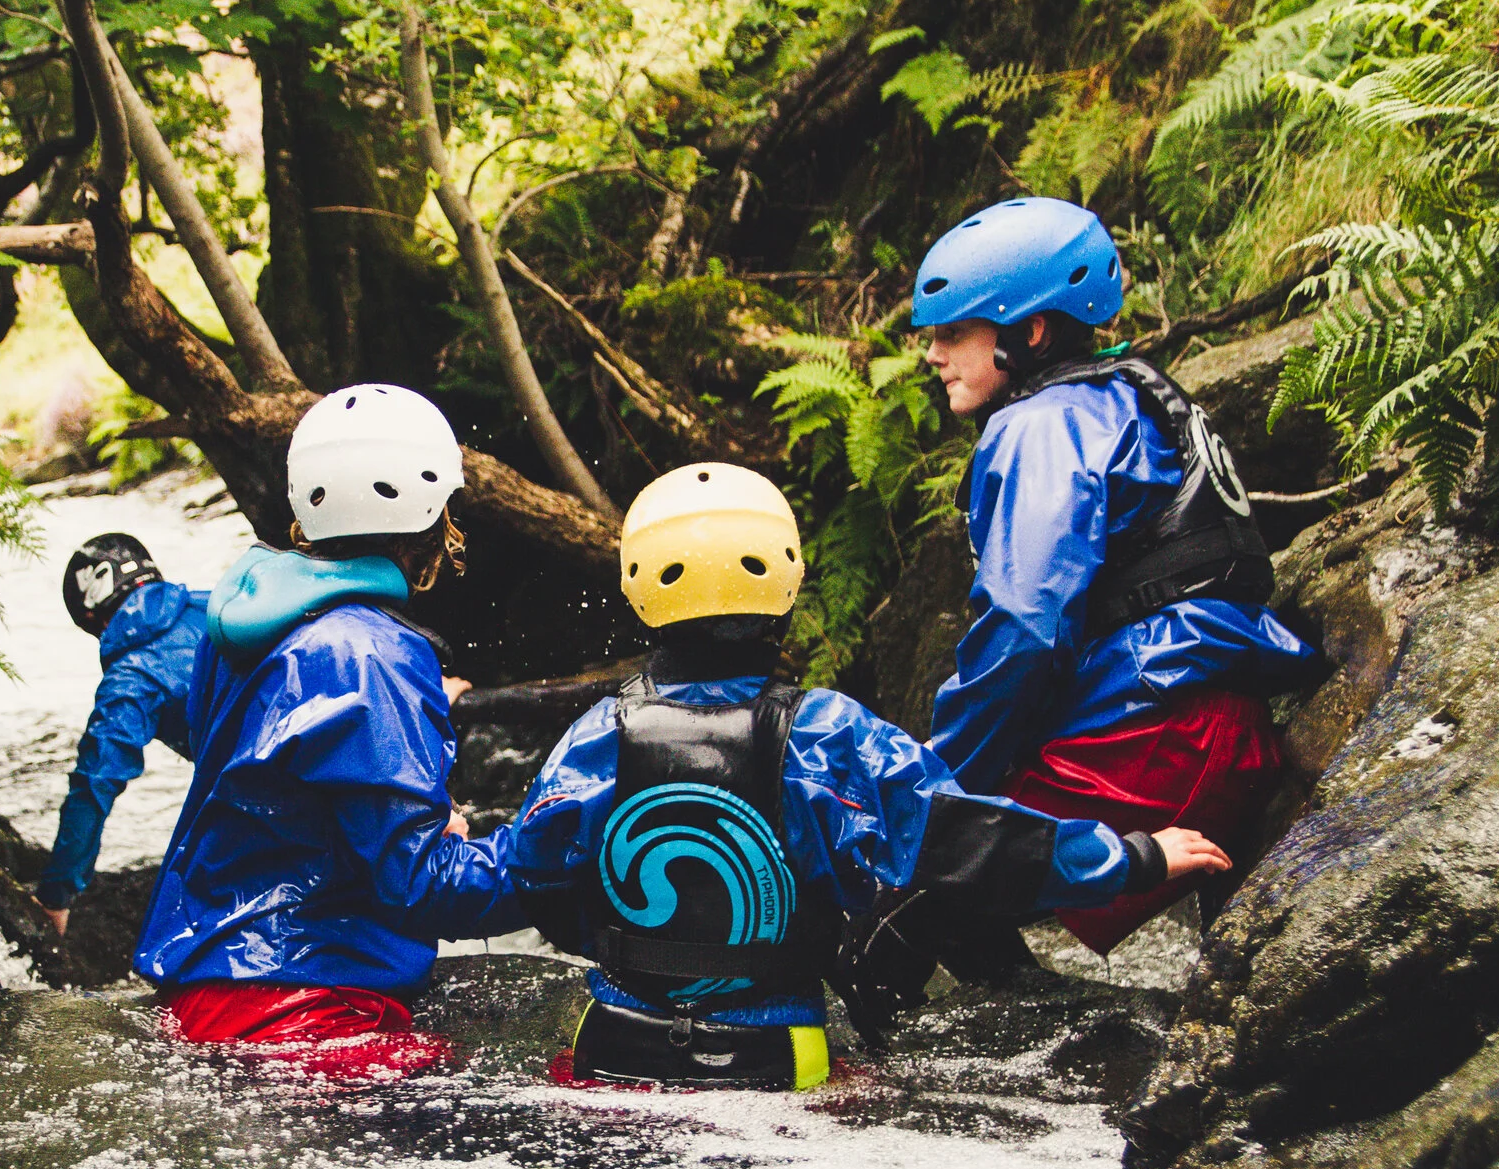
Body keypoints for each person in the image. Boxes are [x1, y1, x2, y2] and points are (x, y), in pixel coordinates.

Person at [503, 462, 1233, 1089]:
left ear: (639, 595)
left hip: (612, 1050)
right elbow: (968, 842)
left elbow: (533, 877)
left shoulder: (594, 738)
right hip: (777, 1059)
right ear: (787, 587)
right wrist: (1132, 858)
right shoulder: (830, 734)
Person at [914, 196, 1325, 955]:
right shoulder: (1123, 398)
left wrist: (934, 784)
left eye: (952, 333)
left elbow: (1024, 630)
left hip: (1153, 742)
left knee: (914, 855)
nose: (932, 355)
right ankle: (1031, 1006)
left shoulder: (1039, 425)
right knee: (956, 882)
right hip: (1218, 727)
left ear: (1030, 332)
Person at [132, 384, 513, 1076]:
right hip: (299, 1010)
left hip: (205, 988)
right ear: (432, 516)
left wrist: (417, 815)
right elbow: (419, 885)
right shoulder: (372, 655)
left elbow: (267, 793)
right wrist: (563, 843)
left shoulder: (240, 626)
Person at [33, 534, 209, 935]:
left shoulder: (131, 678)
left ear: (95, 615)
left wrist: (55, 896)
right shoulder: (218, 603)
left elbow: (94, 784)